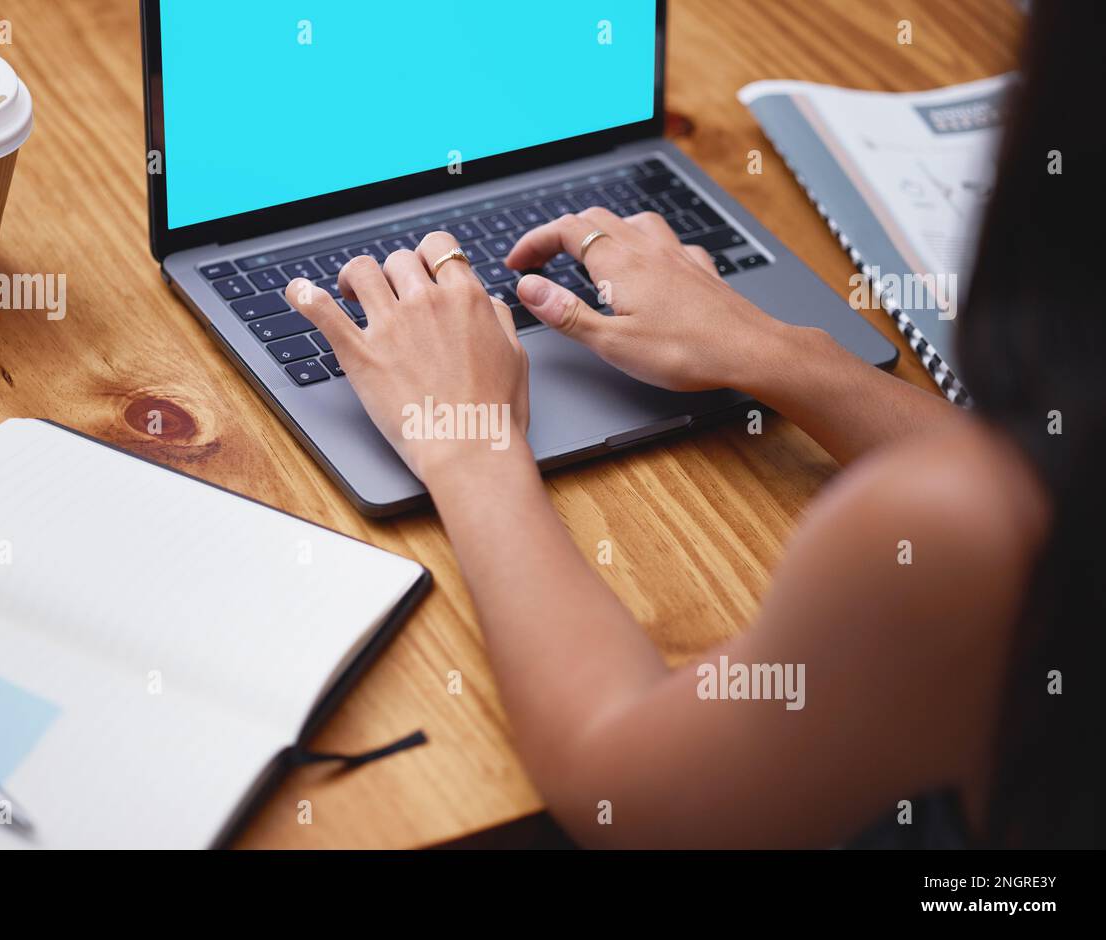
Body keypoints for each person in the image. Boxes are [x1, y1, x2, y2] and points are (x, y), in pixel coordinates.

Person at [282, 1, 1101, 848]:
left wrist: (467, 443)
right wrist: (785, 355)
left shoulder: (947, 541)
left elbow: (624, 790)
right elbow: (1033, 474)